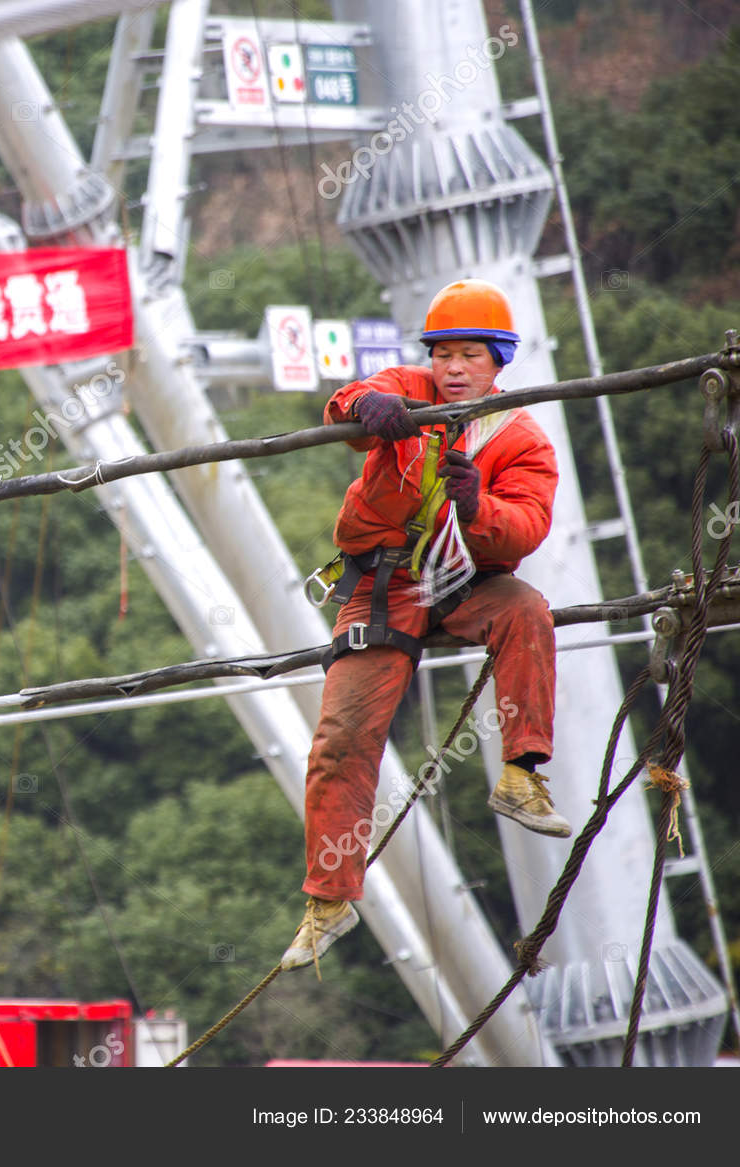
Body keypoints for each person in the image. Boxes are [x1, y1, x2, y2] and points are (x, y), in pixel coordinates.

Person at [283, 278, 568, 972]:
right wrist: (369, 406)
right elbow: (346, 400)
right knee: (343, 735)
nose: (454, 367)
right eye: (444, 353)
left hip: (463, 575)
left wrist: (479, 510)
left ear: (498, 360)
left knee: (526, 610)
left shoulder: (522, 438)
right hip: (386, 582)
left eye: (471, 353)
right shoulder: (406, 391)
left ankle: (521, 772)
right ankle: (329, 897)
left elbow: (525, 527)